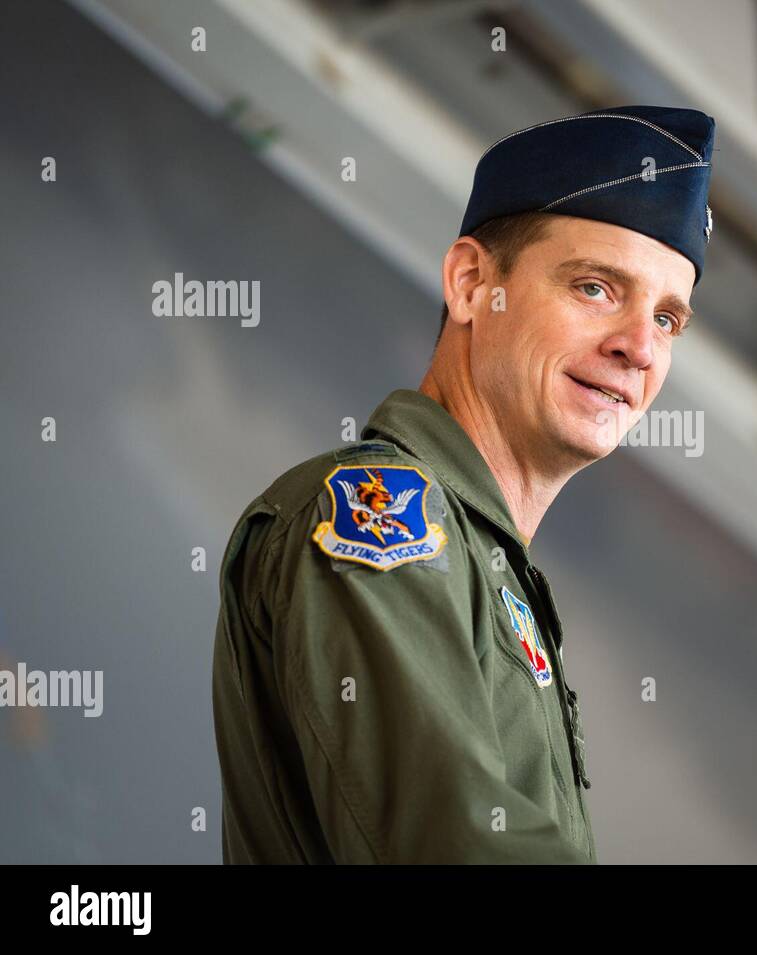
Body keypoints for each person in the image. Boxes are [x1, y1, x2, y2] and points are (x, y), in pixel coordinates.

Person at [211, 104, 716, 863]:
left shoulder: (491, 566)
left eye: (669, 319)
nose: (639, 347)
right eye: (595, 288)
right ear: (472, 283)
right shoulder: (381, 513)